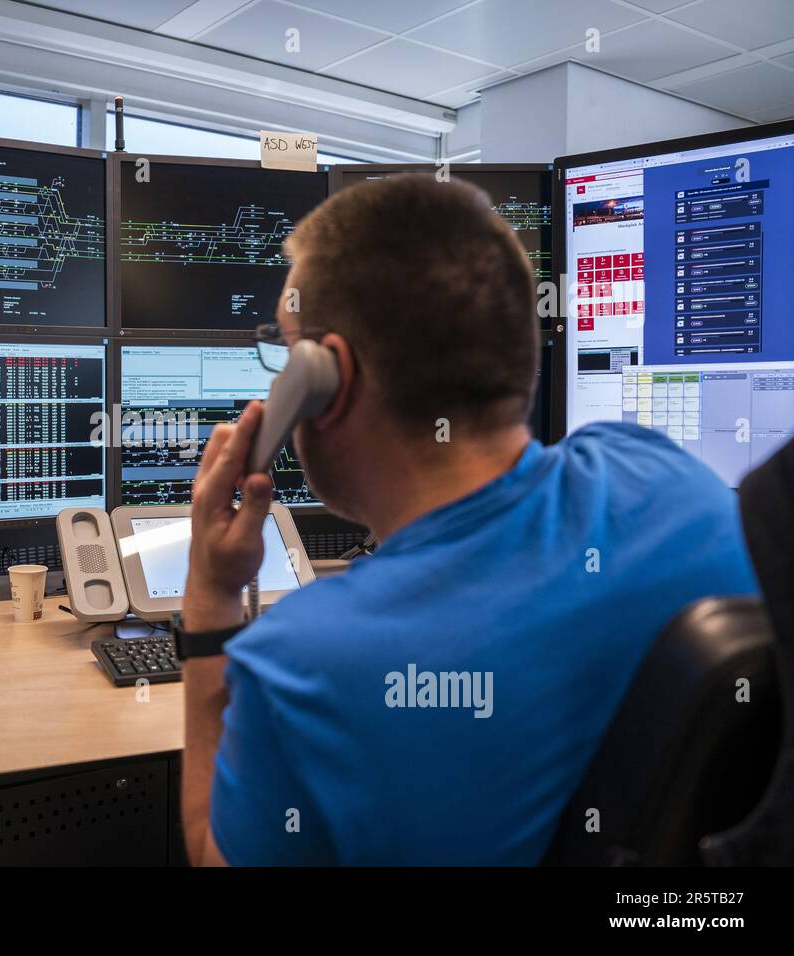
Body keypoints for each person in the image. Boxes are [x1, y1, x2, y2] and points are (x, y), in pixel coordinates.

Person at [179, 174, 760, 866]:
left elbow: (213, 854)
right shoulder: (668, 477)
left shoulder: (305, 665)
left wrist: (211, 596)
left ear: (324, 380)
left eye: (284, 348)